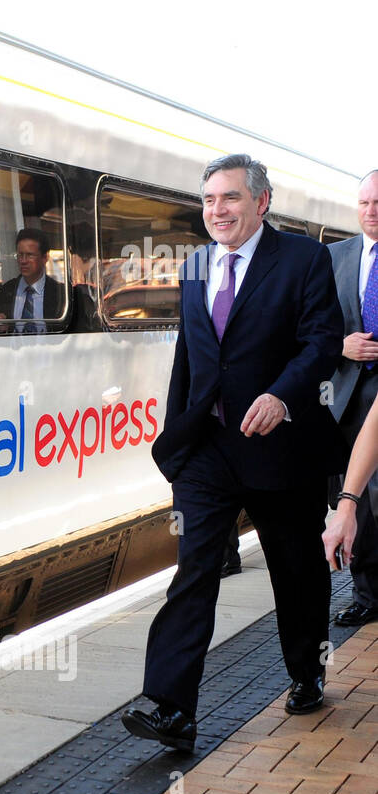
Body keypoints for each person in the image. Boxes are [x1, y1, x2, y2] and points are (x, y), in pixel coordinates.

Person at [123, 154, 344, 751]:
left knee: (295, 573)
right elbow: (190, 360)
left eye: (230, 199)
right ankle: (172, 708)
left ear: (261, 202)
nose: (216, 211)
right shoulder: (196, 265)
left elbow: (321, 341)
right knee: (194, 572)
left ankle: (306, 670)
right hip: (210, 452)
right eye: (209, 200)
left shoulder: (303, 258)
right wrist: (177, 442)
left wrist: (281, 395)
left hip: (280, 448)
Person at [323, 170, 378, 626]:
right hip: (345, 397)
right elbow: (312, 326)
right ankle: (366, 593)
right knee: (354, 499)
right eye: (363, 203)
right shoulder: (333, 256)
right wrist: (340, 345)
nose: (371, 211)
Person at [0, 227, 66, 330]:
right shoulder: (6, 291)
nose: (23, 261)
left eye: (30, 255)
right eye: (20, 255)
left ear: (45, 257)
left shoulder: (61, 294)